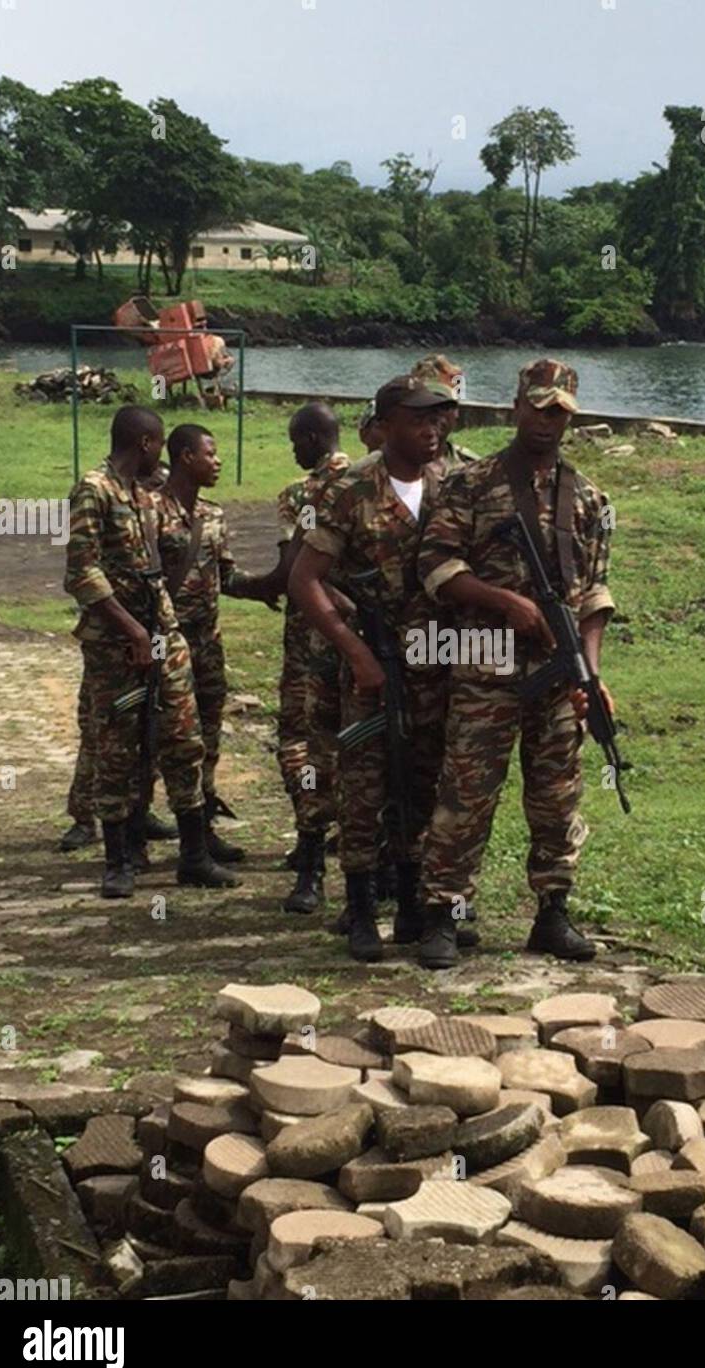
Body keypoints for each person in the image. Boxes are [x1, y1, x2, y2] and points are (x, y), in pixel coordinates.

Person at [415, 359, 616, 969]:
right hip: (485, 660)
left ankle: (553, 911)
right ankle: (444, 915)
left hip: (557, 671)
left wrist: (590, 673)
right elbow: (436, 569)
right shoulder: (469, 485)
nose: (548, 421)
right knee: (466, 792)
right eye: (539, 406)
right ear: (515, 407)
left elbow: (596, 595)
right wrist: (505, 603)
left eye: (560, 412)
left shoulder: (588, 498)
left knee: (557, 795)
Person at [288, 376, 454, 961]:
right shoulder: (351, 488)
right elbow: (304, 579)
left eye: (439, 418)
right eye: (418, 419)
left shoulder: (449, 486)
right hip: (371, 662)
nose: (432, 429)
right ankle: (359, 909)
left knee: (422, 779)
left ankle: (411, 903)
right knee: (362, 784)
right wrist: (353, 652)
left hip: (434, 663)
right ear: (385, 426)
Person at [64, 405, 239, 898]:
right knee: (117, 748)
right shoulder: (94, 489)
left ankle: (193, 856)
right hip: (116, 645)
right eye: (159, 444)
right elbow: (81, 572)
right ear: (145, 443)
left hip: (164, 633)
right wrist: (132, 632)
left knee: (184, 739)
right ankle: (119, 859)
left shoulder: (145, 493)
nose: (162, 455)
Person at [155, 424, 278, 864]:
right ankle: (136, 835)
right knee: (167, 739)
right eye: (211, 453)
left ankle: (202, 829)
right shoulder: (150, 511)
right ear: (187, 457)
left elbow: (227, 577)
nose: (218, 460)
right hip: (165, 646)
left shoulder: (213, 515)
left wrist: (268, 585)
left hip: (207, 645)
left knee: (206, 738)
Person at [275, 403, 351, 912]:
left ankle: (309, 864)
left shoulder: (301, 495)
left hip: (312, 639)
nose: (292, 449)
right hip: (367, 638)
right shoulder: (373, 479)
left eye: (294, 439)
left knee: (301, 743)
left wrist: (235, 584)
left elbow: (290, 572)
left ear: (310, 438)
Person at [58, 678, 178, 852]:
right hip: (107, 668)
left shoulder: (157, 650)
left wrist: (155, 654)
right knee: (98, 739)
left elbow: (159, 651)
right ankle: (84, 818)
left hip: (147, 669)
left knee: (148, 734)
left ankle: (140, 812)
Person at [412, 353, 479, 470]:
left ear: (456, 411)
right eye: (424, 403)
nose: (433, 413)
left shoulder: (473, 466)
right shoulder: (387, 466)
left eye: (444, 405)